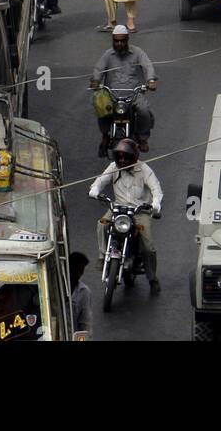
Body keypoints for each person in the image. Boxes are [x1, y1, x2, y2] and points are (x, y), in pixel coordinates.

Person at [89, 138, 162, 293]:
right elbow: (101, 181)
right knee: (101, 223)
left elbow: (156, 189)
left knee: (148, 247)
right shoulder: (113, 167)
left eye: (125, 157)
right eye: (119, 157)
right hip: (118, 209)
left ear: (133, 156)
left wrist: (155, 204)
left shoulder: (144, 170)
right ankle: (103, 256)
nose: (122, 160)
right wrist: (95, 190)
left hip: (139, 211)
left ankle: (152, 278)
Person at [89, 24, 157, 151]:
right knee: (101, 109)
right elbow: (98, 68)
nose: (119, 43)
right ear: (113, 40)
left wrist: (151, 80)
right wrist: (95, 80)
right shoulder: (108, 55)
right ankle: (105, 135)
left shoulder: (137, 52)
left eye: (122, 41)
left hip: (134, 94)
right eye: (116, 41)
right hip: (112, 95)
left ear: (127, 40)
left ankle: (143, 138)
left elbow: (148, 66)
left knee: (144, 111)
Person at [69, 253, 92, 337]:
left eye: (81, 271)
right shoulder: (55, 287)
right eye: (76, 270)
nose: (79, 274)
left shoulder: (84, 292)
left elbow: (85, 323)